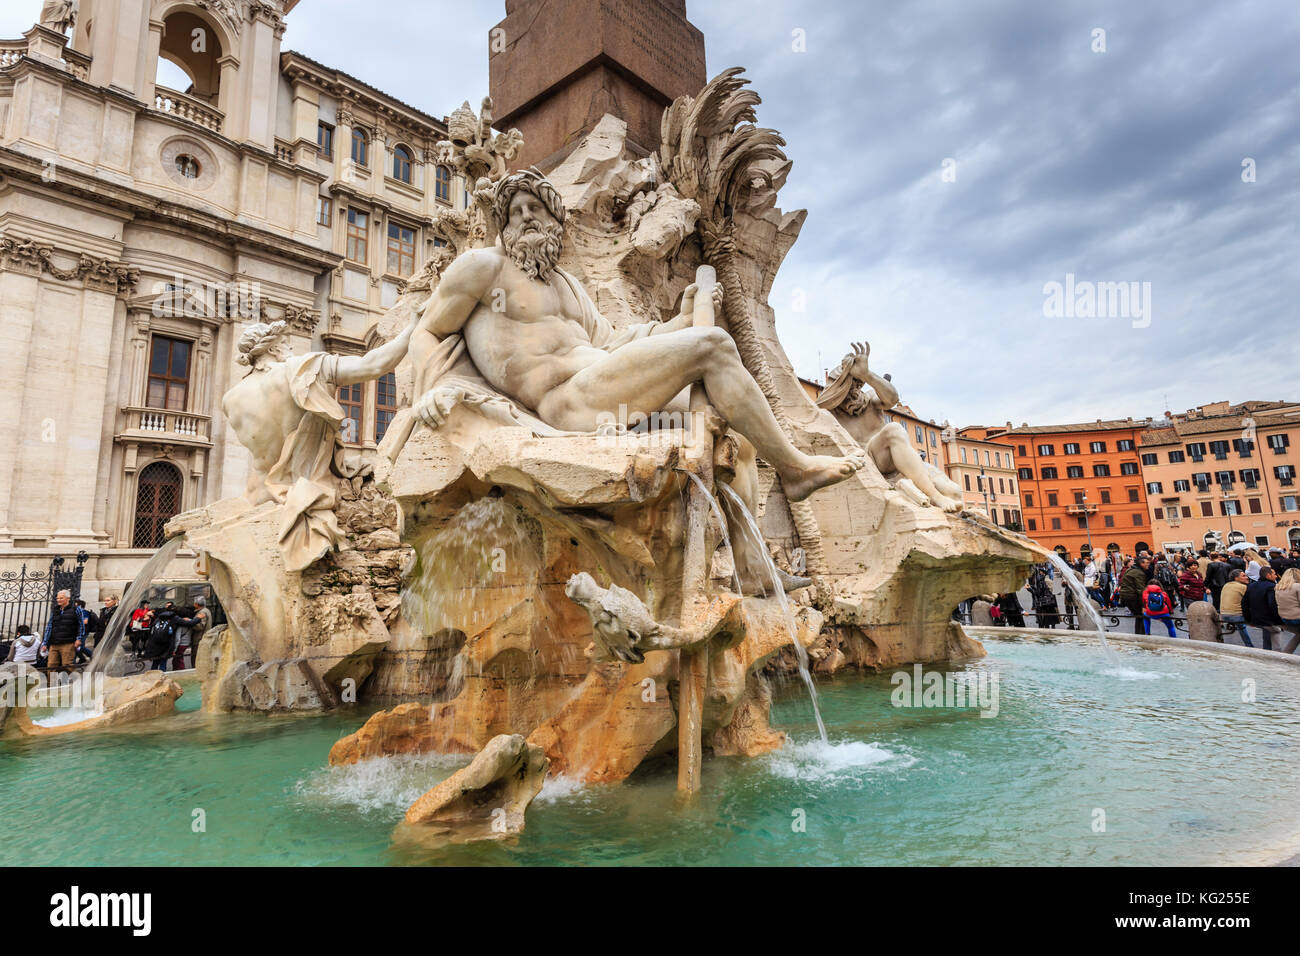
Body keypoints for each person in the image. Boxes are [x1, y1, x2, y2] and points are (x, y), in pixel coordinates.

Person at [40, 589, 86, 674]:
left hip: (68, 642)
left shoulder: (76, 609)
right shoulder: (55, 610)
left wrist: (79, 639)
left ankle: (69, 684)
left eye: (61, 598)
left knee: (67, 665)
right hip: (54, 642)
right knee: (51, 665)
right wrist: (45, 642)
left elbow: (81, 625)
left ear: (68, 598)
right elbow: (50, 626)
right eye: (57, 598)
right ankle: (52, 685)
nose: (58, 600)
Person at [1243, 567, 1284, 652]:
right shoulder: (1271, 587)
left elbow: (1244, 603)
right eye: (1274, 574)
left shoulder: (1251, 585)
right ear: (1268, 575)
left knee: (1267, 635)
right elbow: (1272, 604)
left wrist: (1248, 619)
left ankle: (1266, 652)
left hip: (1256, 618)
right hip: (1268, 620)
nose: (1276, 576)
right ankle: (1279, 655)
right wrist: (1279, 621)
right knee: (1276, 632)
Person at [144, 601, 182, 671]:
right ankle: (161, 678)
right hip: (164, 647)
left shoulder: (159, 619)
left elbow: (151, 634)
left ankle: (153, 677)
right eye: (166, 606)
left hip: (159, 646)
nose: (167, 607)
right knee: (162, 663)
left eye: (168, 606)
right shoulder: (173, 620)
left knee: (156, 663)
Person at [1220, 569, 1254, 647]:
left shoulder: (1226, 585)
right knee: (1266, 625)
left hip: (1224, 615)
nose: (1247, 577)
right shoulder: (1243, 587)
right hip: (1237, 616)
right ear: (1236, 578)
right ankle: (1266, 648)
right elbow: (1252, 601)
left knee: (1241, 627)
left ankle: (1249, 645)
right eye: (1243, 576)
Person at [1118, 556, 1151, 635]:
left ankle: (1139, 634)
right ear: (1141, 563)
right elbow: (1141, 590)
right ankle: (1142, 635)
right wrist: (1144, 605)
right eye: (1147, 563)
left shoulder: (1130, 569)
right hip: (1132, 597)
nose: (1148, 565)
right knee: (1142, 615)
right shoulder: (1139, 573)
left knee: (1139, 616)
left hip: (1126, 596)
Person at [1274, 568, 1300, 654]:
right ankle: (1286, 653)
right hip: (1297, 617)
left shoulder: (1278, 587)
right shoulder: (1297, 586)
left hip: (1284, 618)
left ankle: (1286, 654)